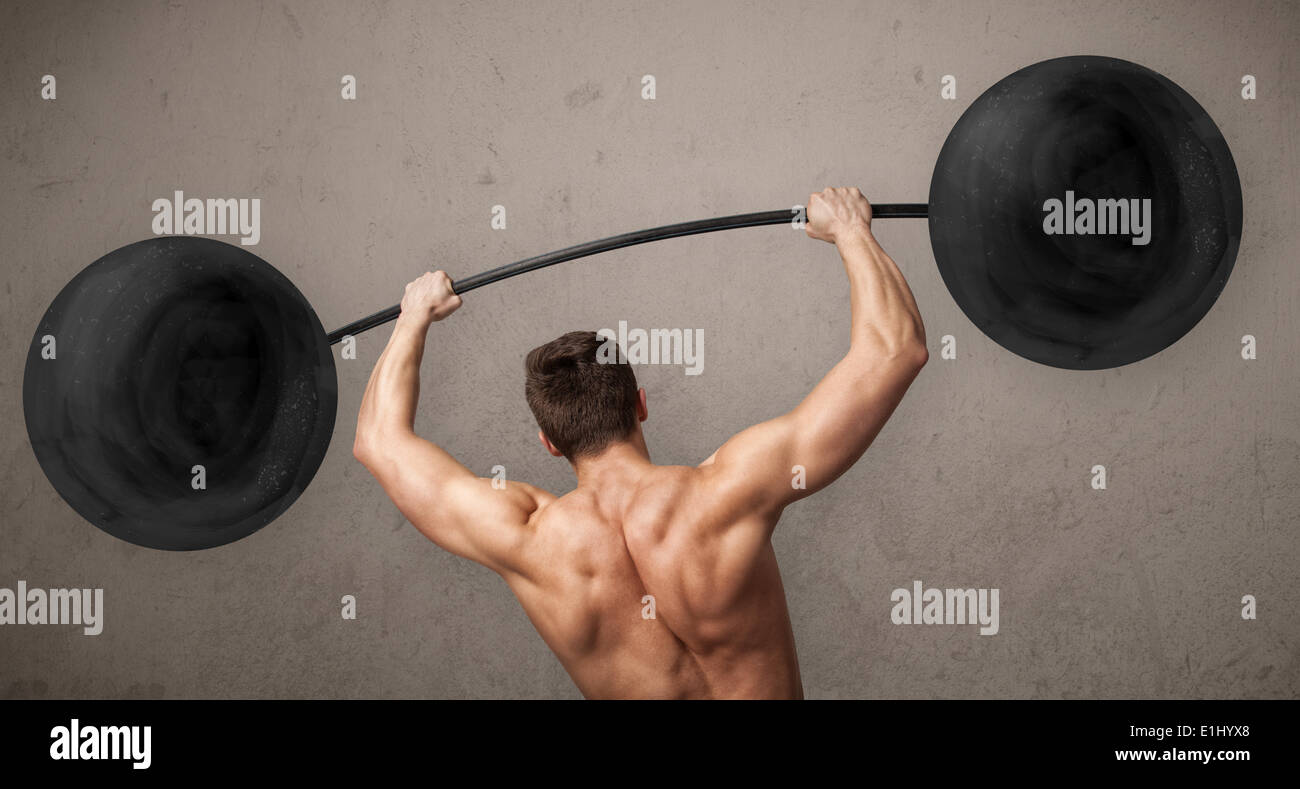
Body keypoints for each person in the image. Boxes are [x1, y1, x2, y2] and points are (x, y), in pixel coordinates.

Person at [353, 187, 928, 698]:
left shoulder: (527, 540)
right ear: (641, 404)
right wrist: (850, 229)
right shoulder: (730, 490)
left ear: (549, 441)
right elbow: (894, 352)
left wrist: (413, 318)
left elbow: (379, 441)